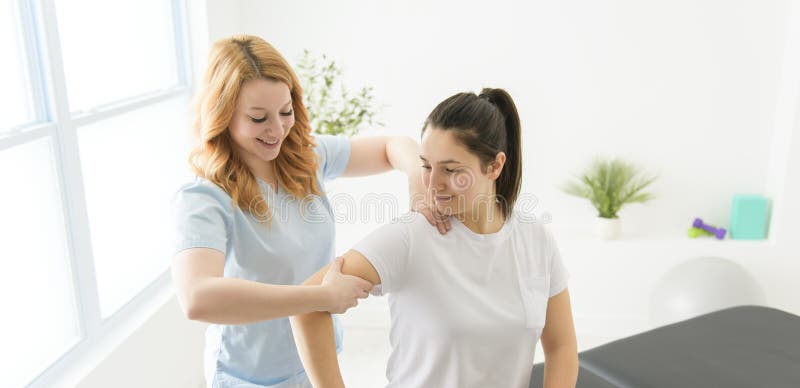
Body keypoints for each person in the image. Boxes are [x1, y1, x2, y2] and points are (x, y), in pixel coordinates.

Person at [170, 34, 449, 388]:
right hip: (249, 377)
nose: (277, 130)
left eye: (285, 112)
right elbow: (197, 298)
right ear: (222, 115)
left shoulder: (305, 158)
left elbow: (393, 146)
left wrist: (417, 176)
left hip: (311, 359)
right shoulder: (204, 197)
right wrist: (321, 297)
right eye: (258, 118)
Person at [290, 88, 579, 387]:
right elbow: (307, 306)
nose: (433, 184)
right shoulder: (410, 237)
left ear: (495, 166)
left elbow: (561, 347)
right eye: (427, 166)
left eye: (451, 170)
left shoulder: (535, 239)